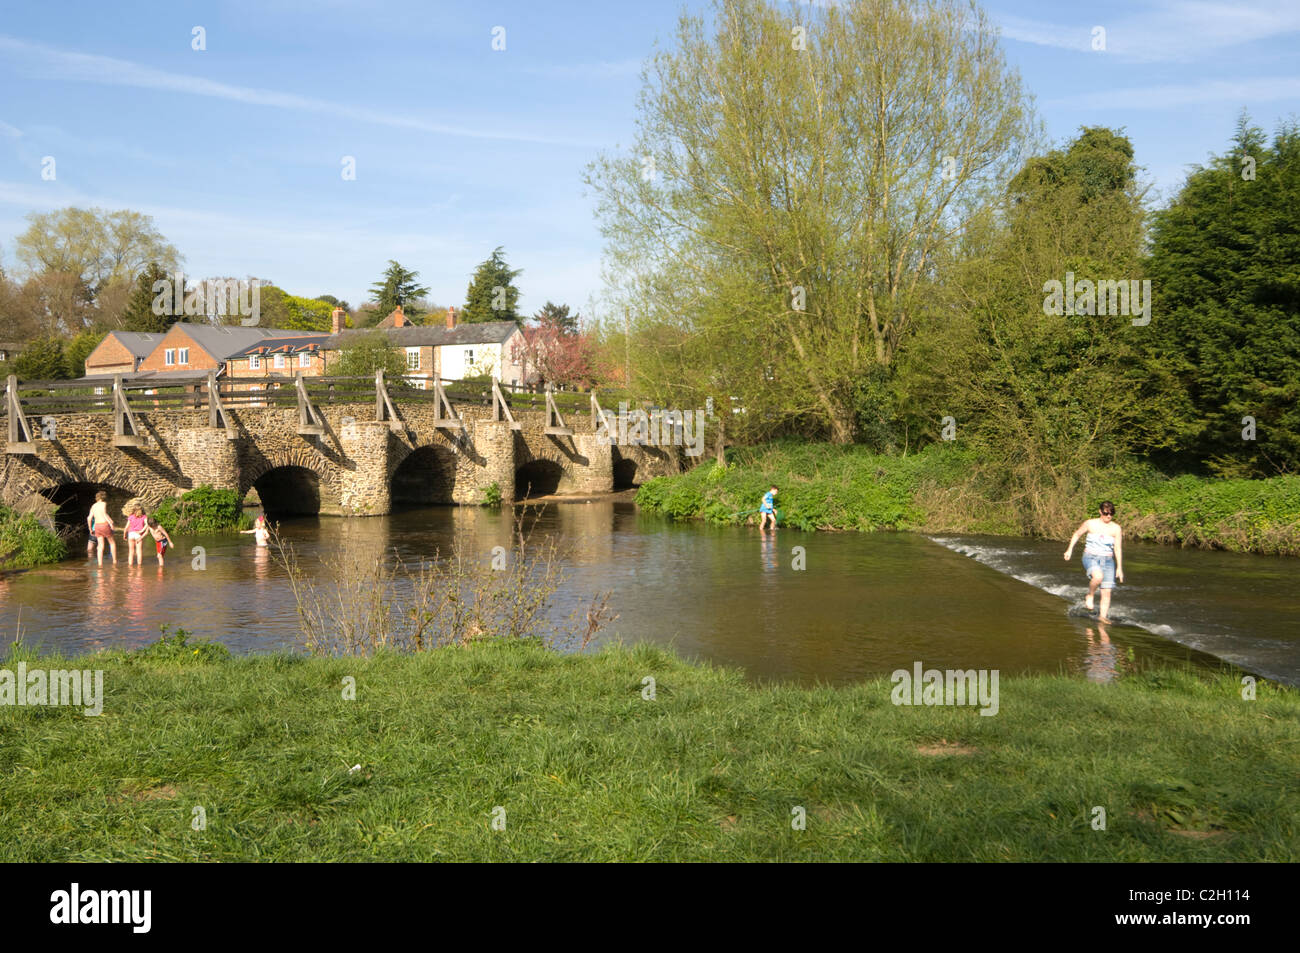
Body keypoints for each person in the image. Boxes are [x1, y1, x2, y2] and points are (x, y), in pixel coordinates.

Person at [1064, 500, 1124, 623]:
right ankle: (1090, 595)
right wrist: (1069, 550)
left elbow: (1117, 548)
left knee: (1106, 591)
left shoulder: (1116, 528)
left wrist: (1119, 568)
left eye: (1111, 513)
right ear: (1100, 511)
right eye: (1106, 513)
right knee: (1098, 577)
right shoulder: (1090, 523)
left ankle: (1102, 617)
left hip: (1108, 560)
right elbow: (1077, 534)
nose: (1108, 516)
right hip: (1090, 556)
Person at [87, 491, 116, 566]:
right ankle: (114, 561)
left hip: (97, 526)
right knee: (112, 542)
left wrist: (90, 528)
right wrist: (111, 522)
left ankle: (100, 564)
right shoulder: (103, 504)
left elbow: (89, 518)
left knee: (100, 545)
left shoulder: (93, 506)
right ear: (104, 497)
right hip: (104, 524)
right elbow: (104, 513)